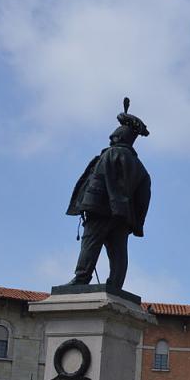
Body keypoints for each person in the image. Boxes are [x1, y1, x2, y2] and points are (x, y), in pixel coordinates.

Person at [66, 98, 151, 291]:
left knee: (90, 243)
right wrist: (135, 221)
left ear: (118, 137)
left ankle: (81, 278)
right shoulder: (141, 169)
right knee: (119, 252)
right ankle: (115, 284)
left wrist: (92, 206)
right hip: (123, 217)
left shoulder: (110, 155)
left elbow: (101, 183)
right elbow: (143, 198)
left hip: (101, 210)